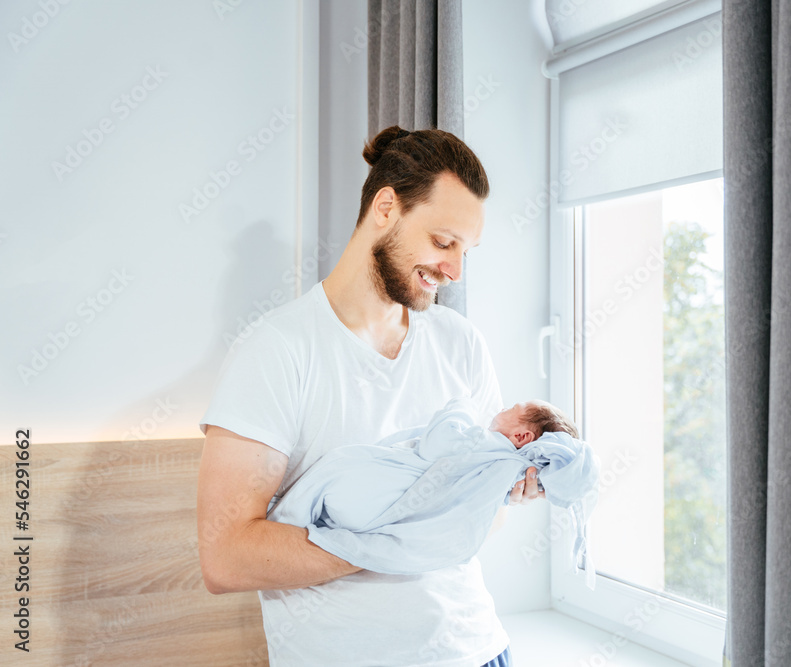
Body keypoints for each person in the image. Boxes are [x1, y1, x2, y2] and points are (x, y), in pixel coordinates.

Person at [196, 125, 544, 667]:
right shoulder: (277, 352)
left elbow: (479, 518)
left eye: (465, 251)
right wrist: (398, 537)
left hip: (478, 648)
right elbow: (225, 557)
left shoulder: (460, 343)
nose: (454, 270)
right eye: (443, 242)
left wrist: (499, 491)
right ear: (386, 208)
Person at [265, 395, 598, 579]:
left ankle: (284, 516)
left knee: (341, 462)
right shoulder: (499, 472)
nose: (498, 409)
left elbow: (437, 443)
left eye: (509, 409)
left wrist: (460, 407)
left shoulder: (487, 445)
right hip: (378, 513)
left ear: (522, 437)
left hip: (377, 496)